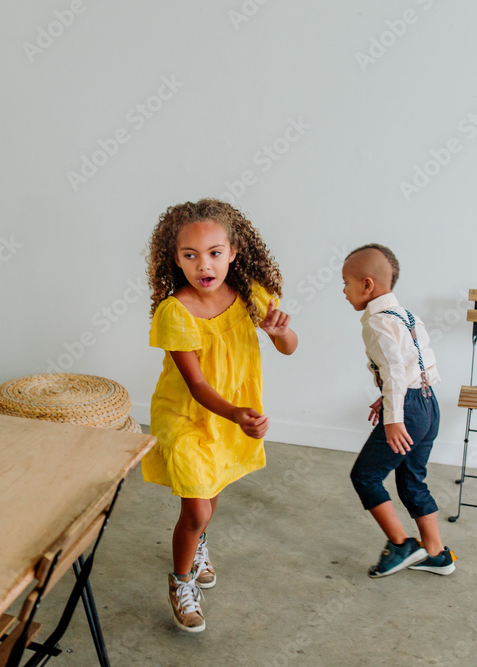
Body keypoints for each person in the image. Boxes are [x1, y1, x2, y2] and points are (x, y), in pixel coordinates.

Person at [144, 199, 298, 632]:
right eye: (189, 255)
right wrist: (236, 414)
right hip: (186, 415)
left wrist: (280, 331)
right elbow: (196, 386)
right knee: (195, 509)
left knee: (209, 496)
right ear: (174, 259)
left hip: (230, 414)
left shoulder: (250, 295)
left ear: (233, 252)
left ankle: (199, 545)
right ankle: (180, 581)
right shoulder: (175, 311)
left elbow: (290, 346)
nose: (203, 265)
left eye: (214, 252)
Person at [342, 243, 456, 578]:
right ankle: (436, 553)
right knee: (411, 479)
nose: (343, 291)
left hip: (408, 408)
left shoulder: (376, 322)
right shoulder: (408, 315)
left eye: (345, 282)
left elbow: (392, 370)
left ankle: (402, 544)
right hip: (428, 402)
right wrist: (391, 398)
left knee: (365, 475)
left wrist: (394, 417)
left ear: (367, 285)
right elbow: (416, 363)